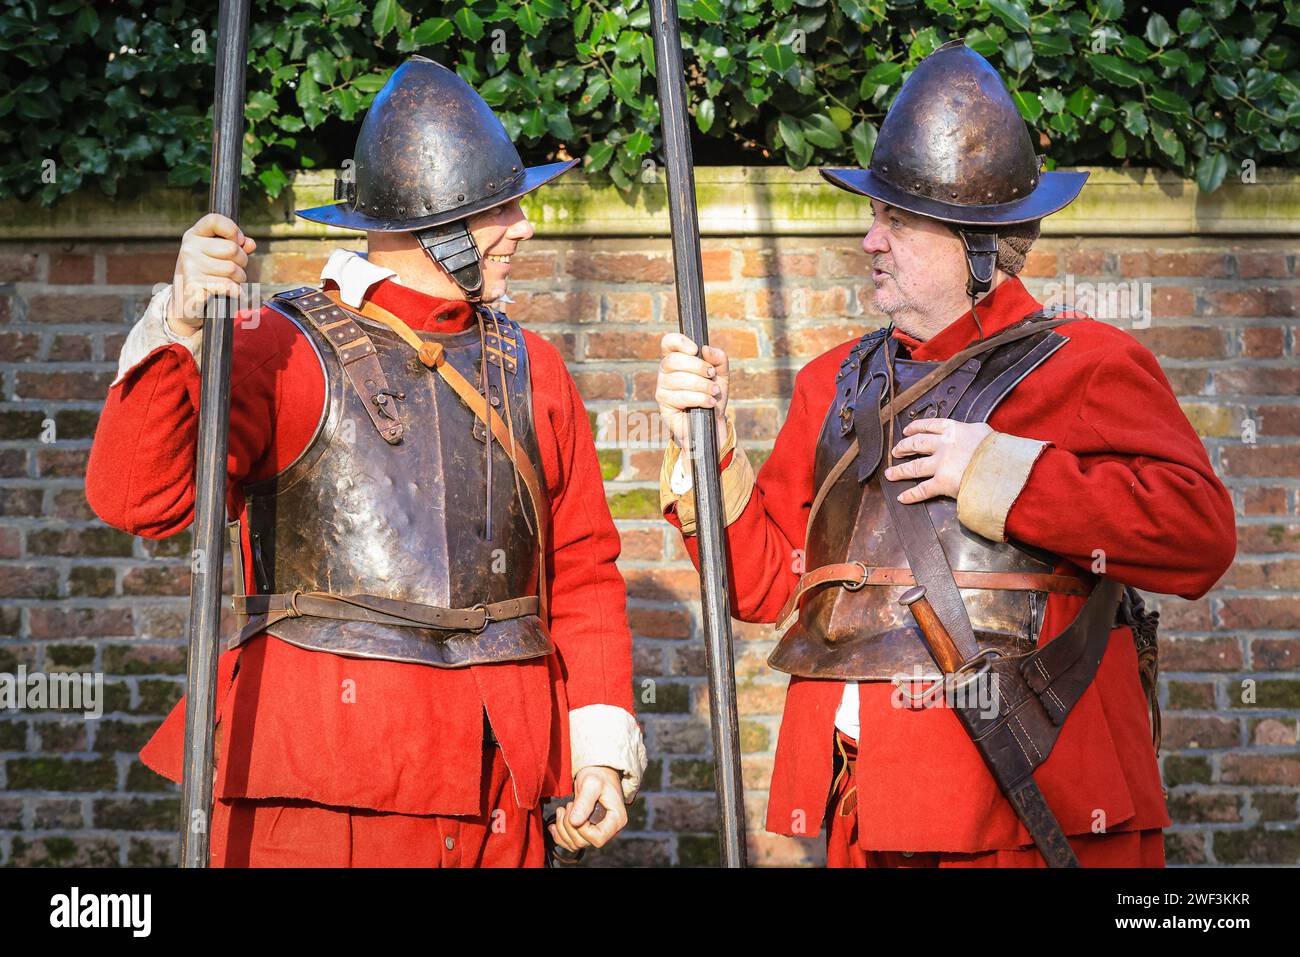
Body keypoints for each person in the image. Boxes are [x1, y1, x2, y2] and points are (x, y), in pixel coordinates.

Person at [654, 40, 1235, 867]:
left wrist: (998, 472)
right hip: (865, 811)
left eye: (897, 218)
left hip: (1023, 805)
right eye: (875, 215)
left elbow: (1200, 538)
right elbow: (759, 583)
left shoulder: (1089, 364)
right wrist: (701, 448)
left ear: (977, 243)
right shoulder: (833, 383)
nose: (870, 240)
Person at [87, 56, 646, 867]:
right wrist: (178, 325)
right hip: (322, 782)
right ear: (440, 224)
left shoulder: (538, 370)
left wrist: (596, 744)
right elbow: (137, 498)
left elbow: (585, 568)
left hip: (500, 781)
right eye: (501, 209)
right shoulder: (273, 346)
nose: (525, 226)